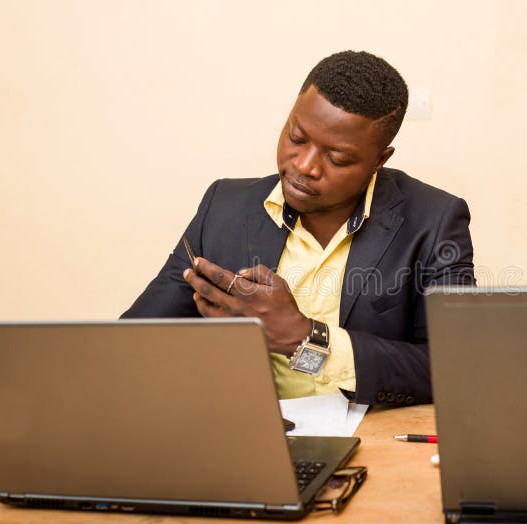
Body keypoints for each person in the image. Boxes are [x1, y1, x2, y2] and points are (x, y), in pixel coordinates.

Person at [122, 50, 475, 405]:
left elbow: (457, 367)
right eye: (297, 138)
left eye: (336, 157)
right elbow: (133, 340)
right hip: (245, 436)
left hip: (375, 440)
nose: (305, 166)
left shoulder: (434, 220)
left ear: (379, 160)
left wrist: (306, 339)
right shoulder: (223, 206)